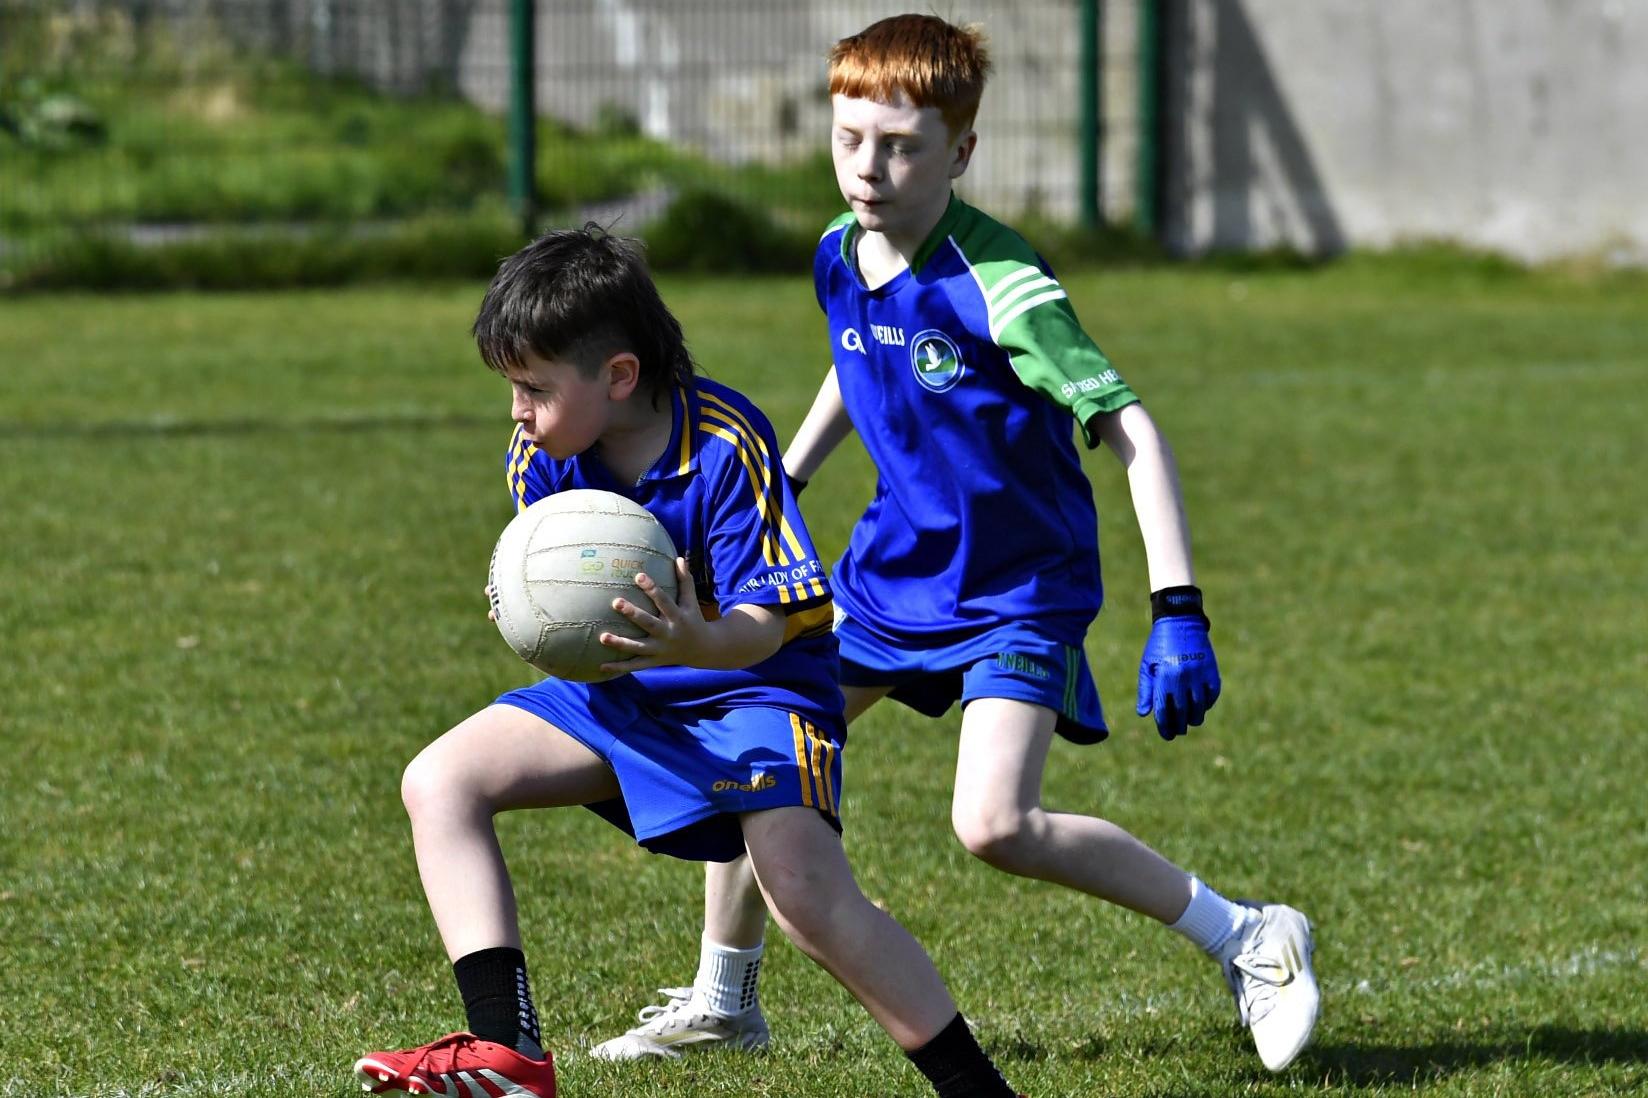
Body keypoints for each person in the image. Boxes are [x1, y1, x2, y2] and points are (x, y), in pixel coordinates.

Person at [590, 13, 1320, 1075]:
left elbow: (1133, 430)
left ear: (961, 151)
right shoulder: (839, 252)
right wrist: (781, 483)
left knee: (994, 825)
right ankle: (723, 998)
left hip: (1018, 591)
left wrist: (1178, 610)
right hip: (889, 577)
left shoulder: (1005, 285)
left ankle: (1250, 934)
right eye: (848, 140)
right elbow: (858, 359)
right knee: (760, 751)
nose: (868, 169)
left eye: (900, 146)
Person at [349, 225, 1023, 1098]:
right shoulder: (541, 453)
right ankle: (507, 1053)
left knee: (804, 897)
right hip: (630, 691)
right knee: (439, 781)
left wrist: (691, 641)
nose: (516, 409)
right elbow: (568, 602)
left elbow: (769, 624)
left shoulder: (725, 441)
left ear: (619, 376)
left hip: (760, 692)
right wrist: (531, 612)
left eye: (534, 388)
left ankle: (978, 1089)